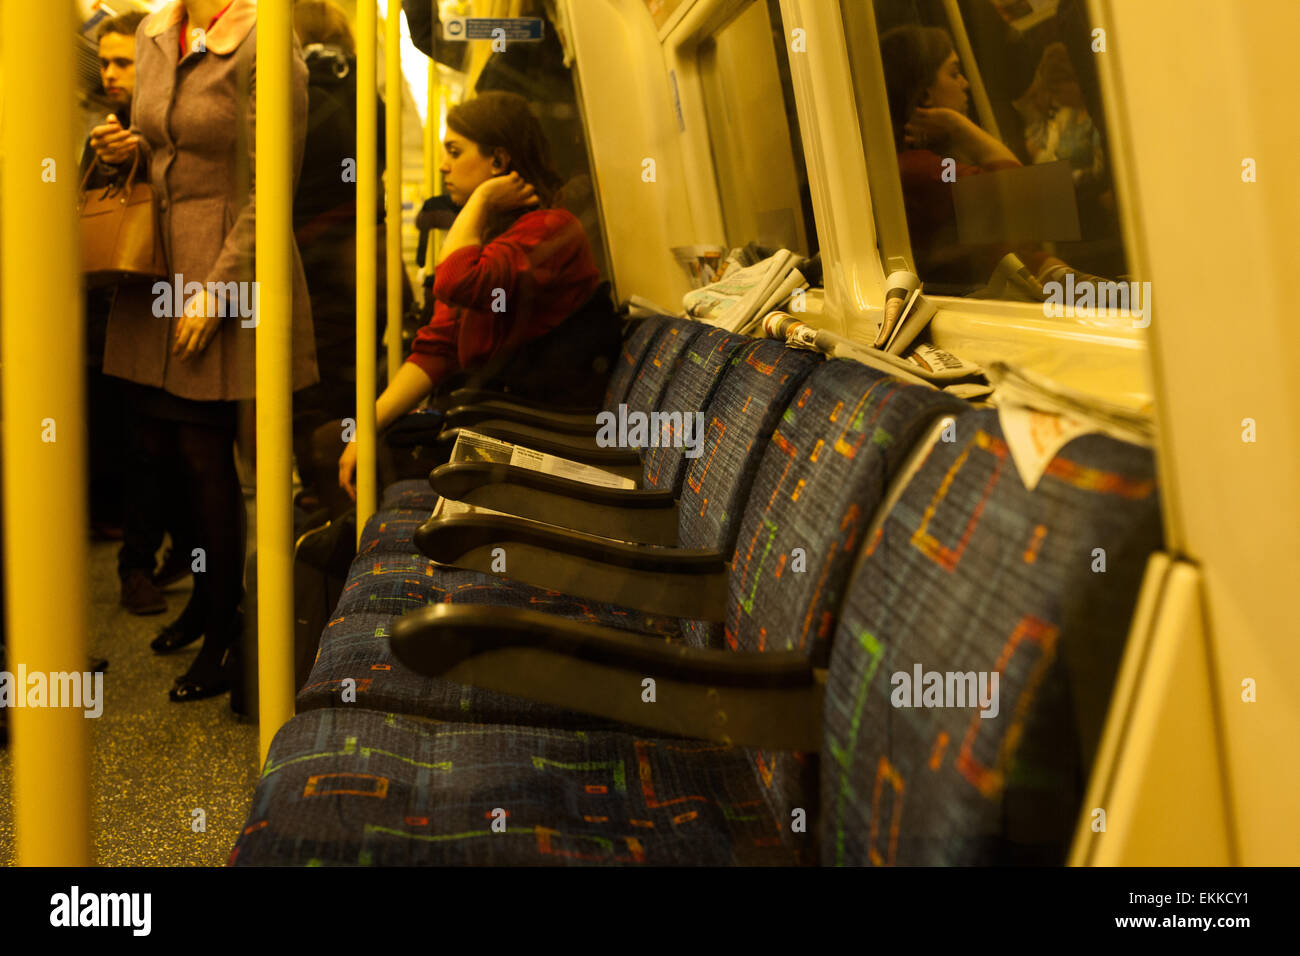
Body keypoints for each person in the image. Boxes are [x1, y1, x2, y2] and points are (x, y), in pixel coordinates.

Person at [89, 0, 317, 701]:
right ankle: (201, 599)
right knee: (158, 446)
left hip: (224, 263)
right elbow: (167, 143)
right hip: (155, 263)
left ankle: (225, 632)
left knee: (204, 454)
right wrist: (134, 149)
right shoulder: (159, 32)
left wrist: (220, 291)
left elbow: (269, 183)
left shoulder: (267, 42)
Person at [336, 91, 600, 500]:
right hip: (495, 421)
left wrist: (480, 198)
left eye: (455, 152)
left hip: (534, 436)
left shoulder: (552, 230)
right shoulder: (498, 236)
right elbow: (438, 348)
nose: (444, 165)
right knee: (342, 445)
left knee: (367, 462)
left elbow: (458, 282)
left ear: (498, 161)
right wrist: (366, 427)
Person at [879, 25, 1027, 288]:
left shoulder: (915, 163)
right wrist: (956, 123)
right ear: (925, 94)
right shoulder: (918, 170)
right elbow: (1025, 202)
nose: (965, 84)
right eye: (954, 73)